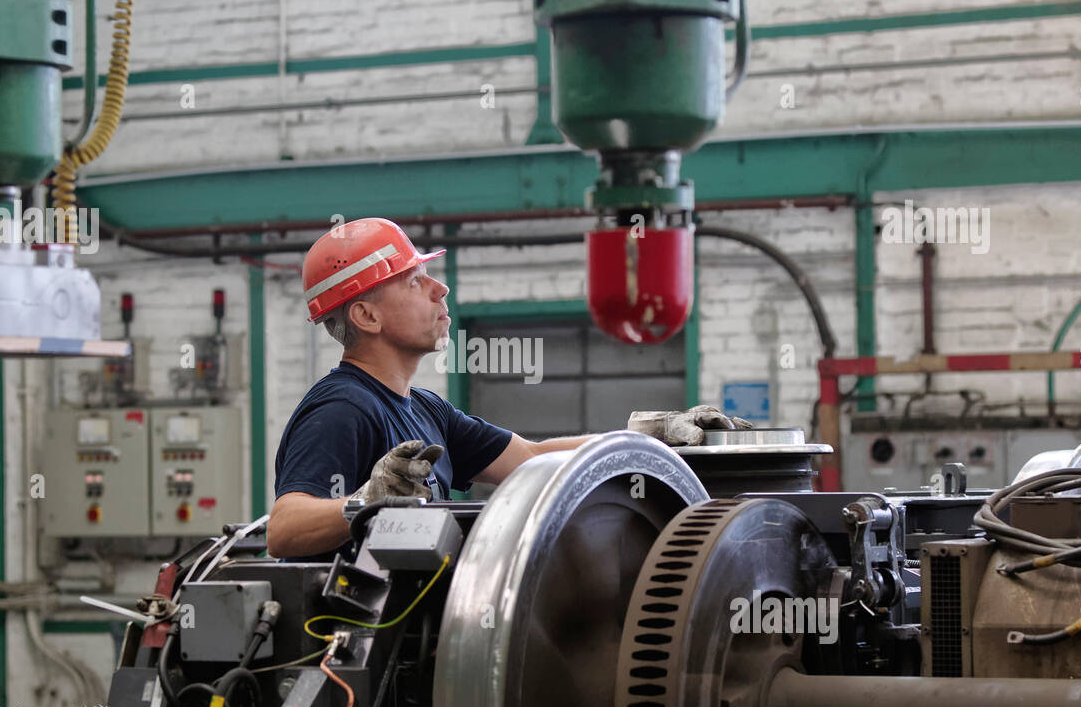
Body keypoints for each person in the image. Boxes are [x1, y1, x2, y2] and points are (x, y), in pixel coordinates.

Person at [266, 217, 749, 559]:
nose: (441, 289)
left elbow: (532, 457)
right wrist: (364, 501)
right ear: (366, 316)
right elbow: (284, 529)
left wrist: (649, 437)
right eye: (414, 281)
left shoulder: (426, 409)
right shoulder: (342, 408)